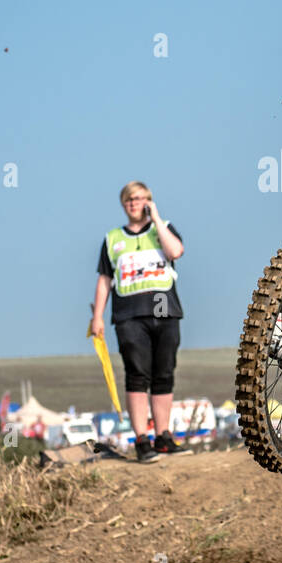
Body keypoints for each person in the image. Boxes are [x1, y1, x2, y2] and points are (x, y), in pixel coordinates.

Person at [90, 181, 191, 463]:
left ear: (148, 201)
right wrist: (97, 316)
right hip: (129, 315)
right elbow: (104, 279)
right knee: (137, 375)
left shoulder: (164, 228)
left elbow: (176, 252)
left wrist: (156, 219)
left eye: (139, 199)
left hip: (165, 312)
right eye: (129, 200)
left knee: (164, 373)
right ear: (123, 205)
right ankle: (142, 440)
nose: (134, 204)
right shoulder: (112, 239)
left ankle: (163, 436)